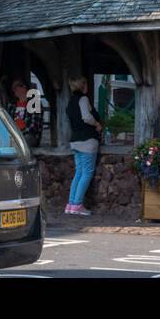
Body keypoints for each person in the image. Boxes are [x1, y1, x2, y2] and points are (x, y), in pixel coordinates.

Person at [65, 77, 102, 216]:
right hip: (87, 140)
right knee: (86, 173)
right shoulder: (83, 99)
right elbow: (86, 117)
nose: (88, 86)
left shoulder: (70, 101)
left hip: (75, 140)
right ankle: (78, 205)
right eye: (86, 83)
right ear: (82, 85)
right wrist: (97, 124)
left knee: (79, 173)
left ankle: (71, 204)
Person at [7, 78, 43, 148]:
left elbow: (34, 126)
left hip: (29, 135)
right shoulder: (11, 104)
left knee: (23, 142)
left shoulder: (35, 104)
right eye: (13, 89)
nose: (15, 90)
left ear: (24, 87)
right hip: (14, 134)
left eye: (17, 87)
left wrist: (19, 135)